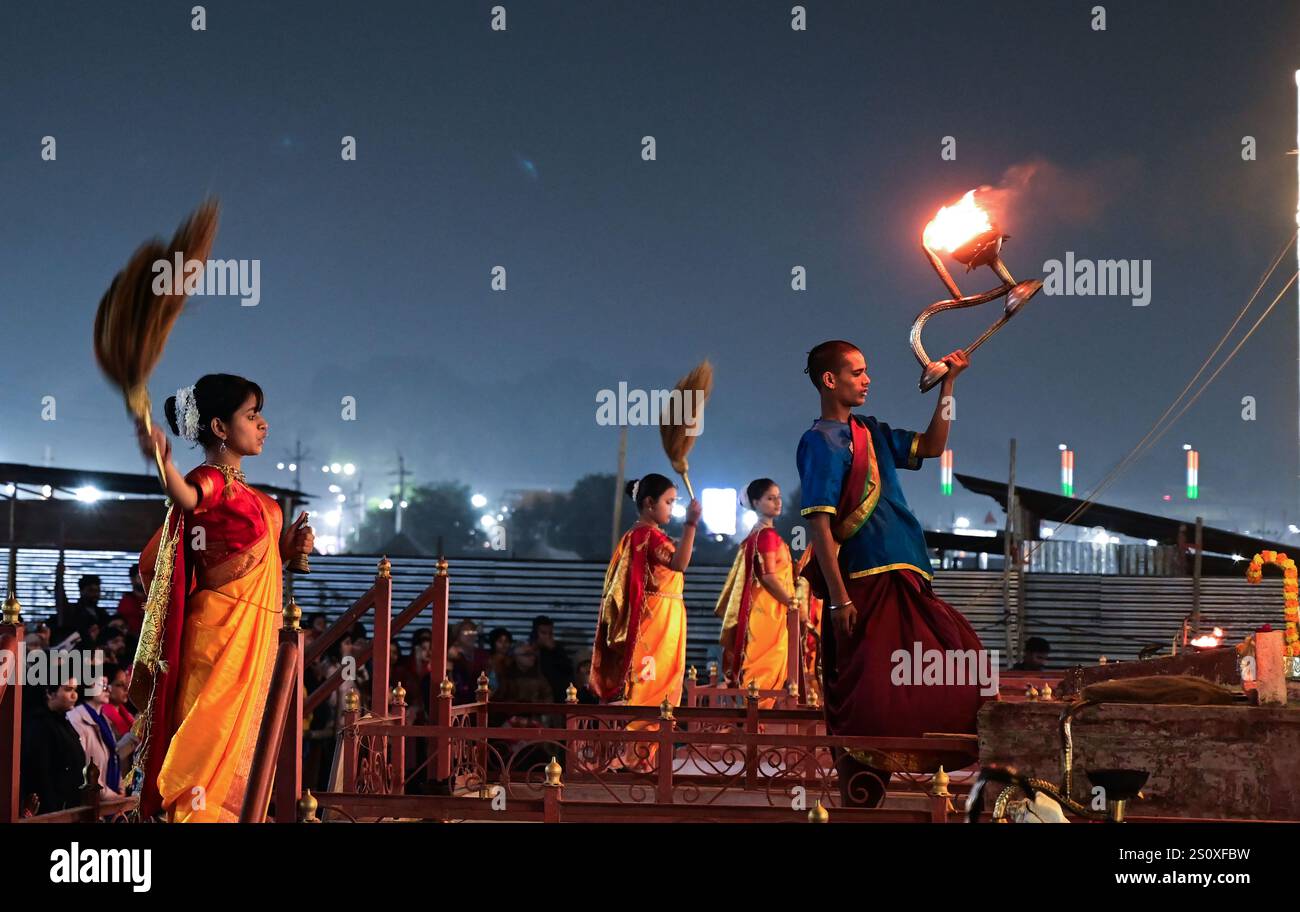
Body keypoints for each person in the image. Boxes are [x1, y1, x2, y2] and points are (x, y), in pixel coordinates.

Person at [797, 340, 985, 807]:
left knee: (959, 660)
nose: (867, 379)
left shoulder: (872, 431)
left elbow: (934, 445)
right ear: (830, 381)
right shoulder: (819, 441)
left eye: (867, 371)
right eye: (857, 372)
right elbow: (819, 525)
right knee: (871, 690)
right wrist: (839, 599)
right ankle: (862, 790)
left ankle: (920, 758)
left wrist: (950, 386)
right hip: (863, 582)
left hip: (906, 573)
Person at [129, 373, 314, 822]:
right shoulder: (210, 479)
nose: (263, 424)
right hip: (216, 642)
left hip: (249, 637)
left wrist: (286, 551)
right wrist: (162, 461)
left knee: (238, 742)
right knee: (205, 742)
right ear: (219, 428)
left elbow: (248, 558)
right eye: (251, 416)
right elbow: (187, 498)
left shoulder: (258, 498)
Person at [590, 473, 701, 772]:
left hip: (666, 616)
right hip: (655, 621)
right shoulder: (647, 536)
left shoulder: (643, 535)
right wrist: (691, 524)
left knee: (662, 687)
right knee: (651, 687)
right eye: (668, 502)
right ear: (649, 504)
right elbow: (680, 563)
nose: (672, 508)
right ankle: (638, 758)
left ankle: (645, 757)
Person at [715, 479, 795, 709]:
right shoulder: (766, 536)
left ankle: (755, 723)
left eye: (778, 496)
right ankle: (756, 724)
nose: (777, 502)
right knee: (764, 669)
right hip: (767, 612)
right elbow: (768, 576)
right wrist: (793, 602)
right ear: (755, 503)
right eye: (770, 498)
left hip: (764, 608)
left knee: (762, 670)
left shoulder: (756, 534)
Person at [19, 678, 85, 815]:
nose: (74, 695)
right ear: (50, 693)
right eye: (68, 689)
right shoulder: (39, 725)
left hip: (69, 807)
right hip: (52, 811)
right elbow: (41, 774)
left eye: (75, 690)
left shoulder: (63, 721)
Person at [66, 675, 122, 801]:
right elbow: (82, 766)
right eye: (103, 685)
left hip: (108, 797)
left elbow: (114, 755)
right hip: (91, 800)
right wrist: (114, 797)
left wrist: (120, 789)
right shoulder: (76, 718)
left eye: (108, 686)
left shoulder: (103, 720)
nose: (108, 690)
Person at [531, 615, 573, 702]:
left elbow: (568, 670)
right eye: (543, 633)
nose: (547, 637)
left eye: (550, 633)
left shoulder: (557, 649)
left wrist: (554, 650)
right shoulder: (526, 649)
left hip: (555, 696)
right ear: (535, 633)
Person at [115, 563, 147, 635]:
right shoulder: (126, 601)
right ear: (132, 579)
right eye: (141, 577)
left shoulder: (155, 600)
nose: (145, 580)